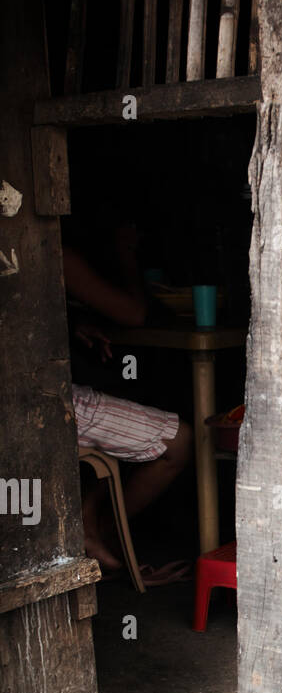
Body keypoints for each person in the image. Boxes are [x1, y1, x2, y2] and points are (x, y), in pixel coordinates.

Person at [63, 227, 193, 575]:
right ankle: (95, 533)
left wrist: (73, 323)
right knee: (179, 439)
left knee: (128, 402)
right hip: (43, 405)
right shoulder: (54, 251)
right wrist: (125, 253)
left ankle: (93, 529)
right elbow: (133, 313)